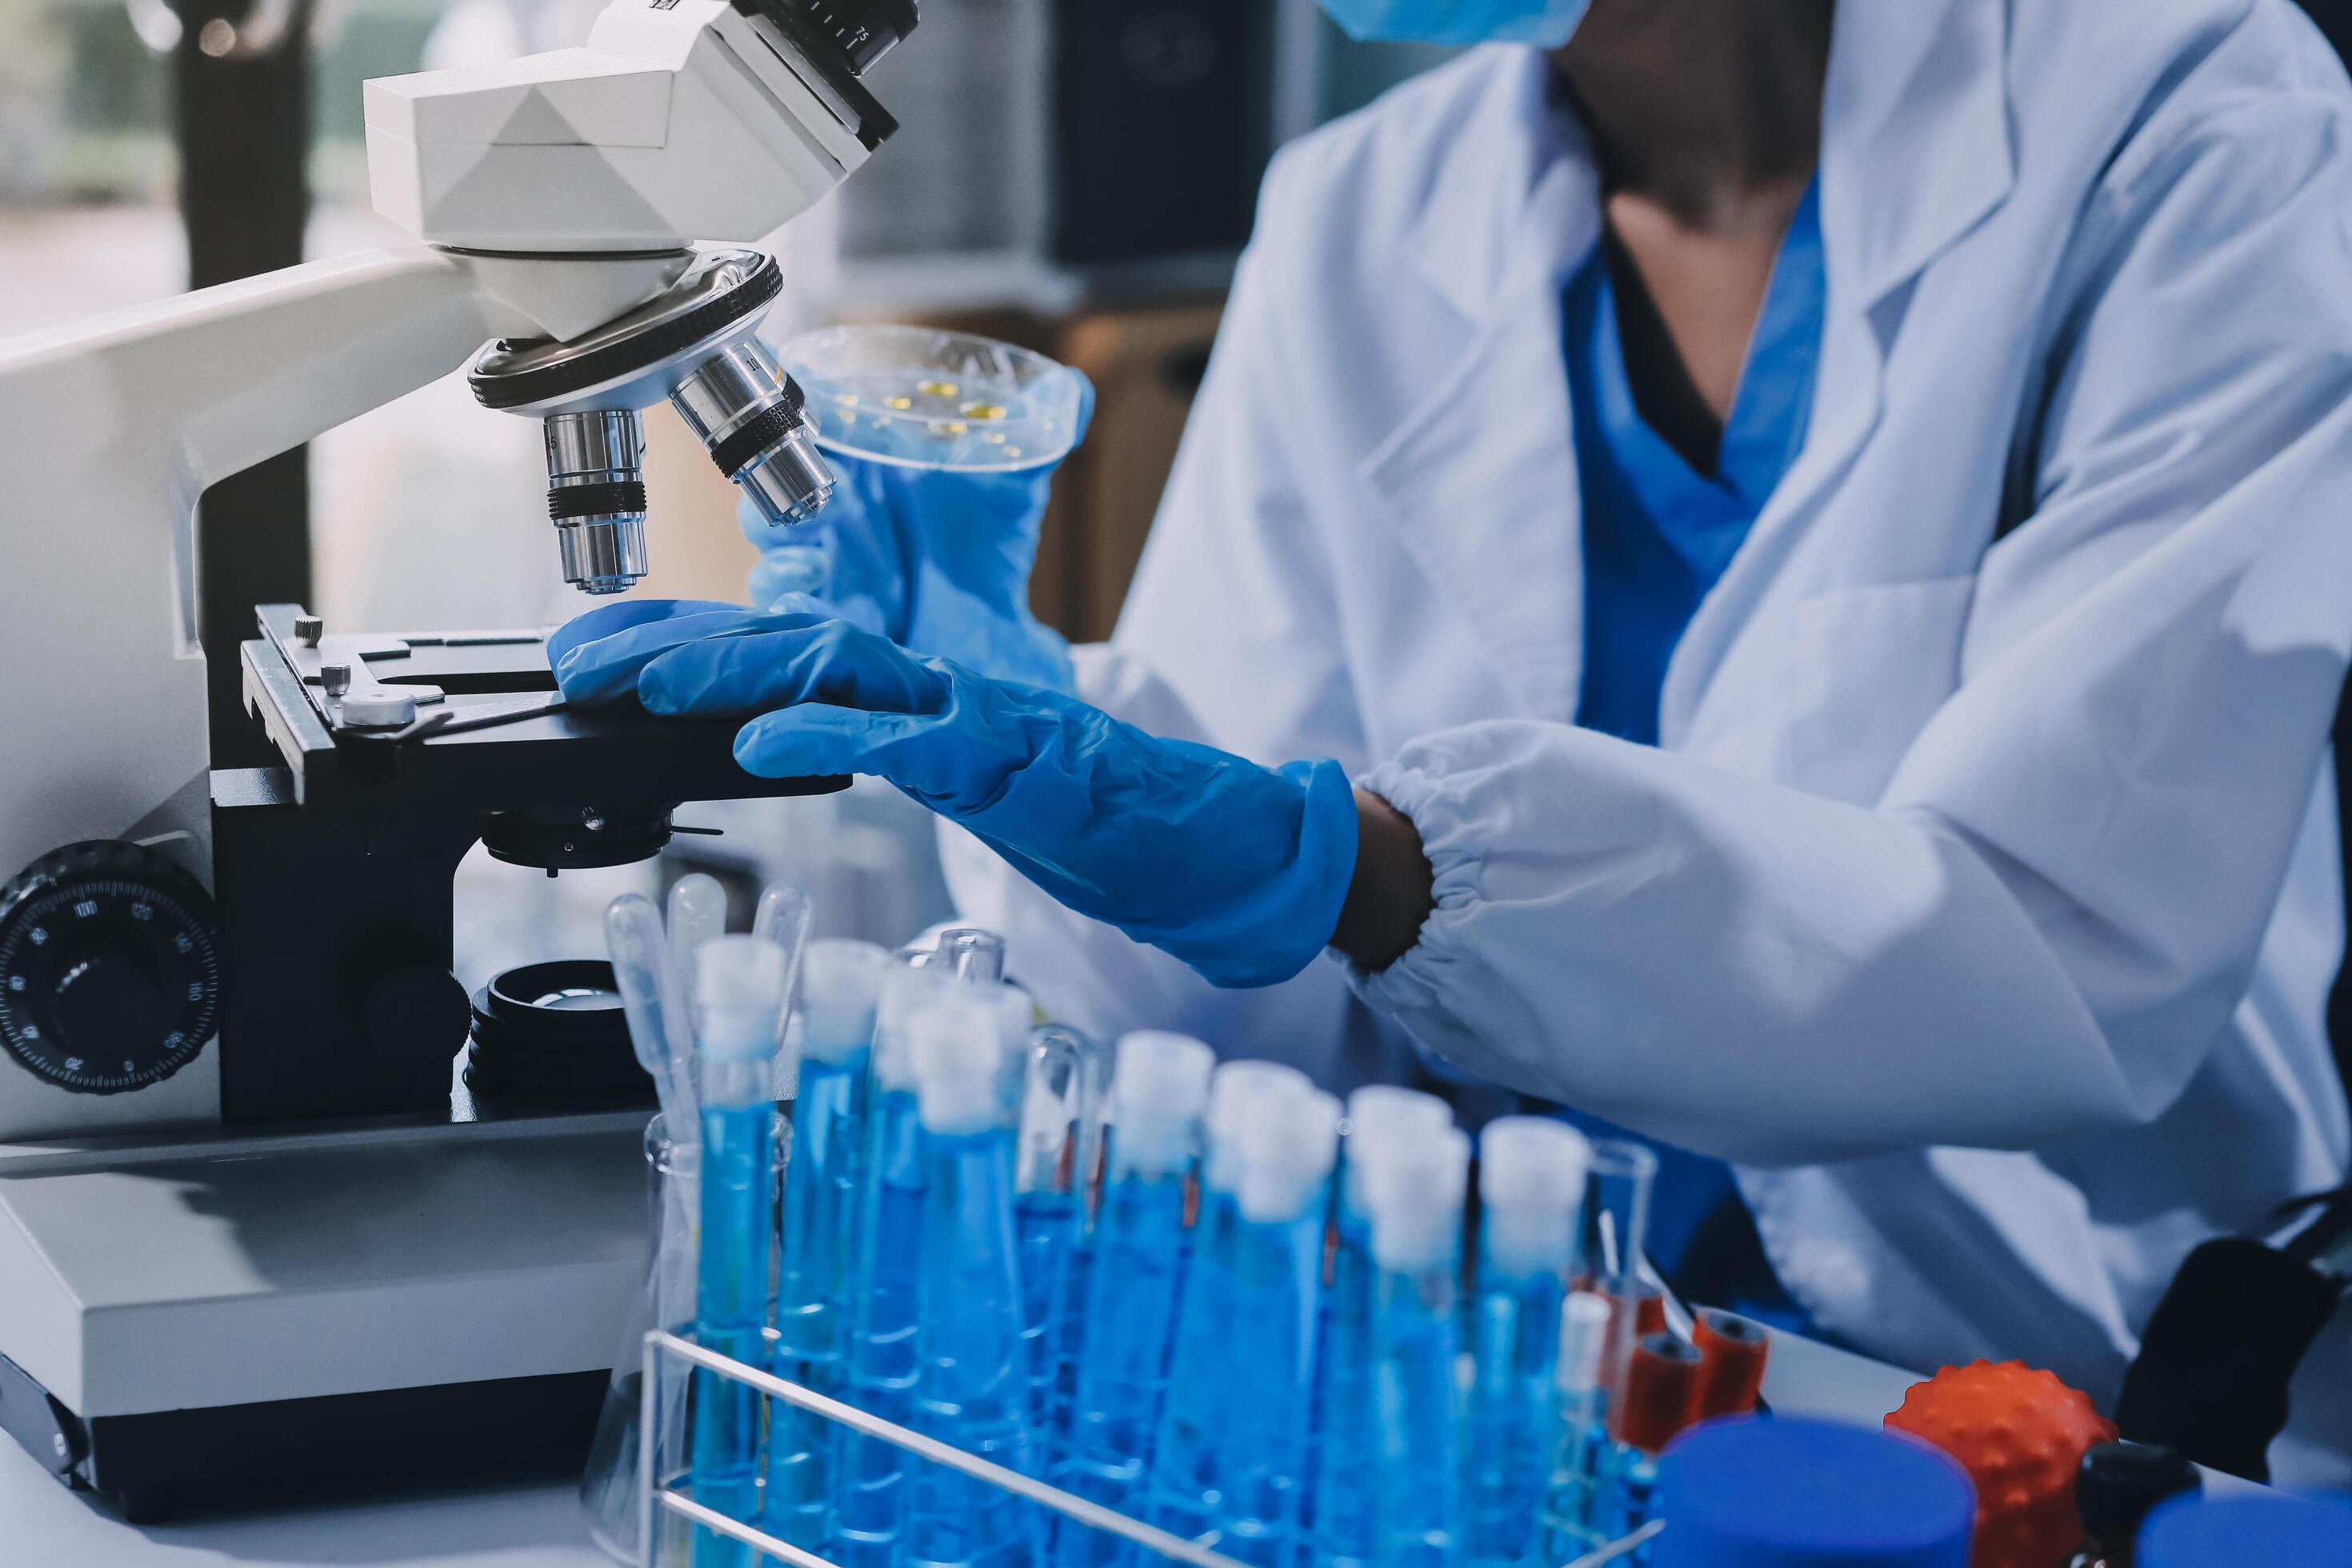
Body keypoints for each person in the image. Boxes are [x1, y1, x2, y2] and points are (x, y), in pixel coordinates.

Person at [550, 0, 2352, 1482]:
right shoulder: (1363, 205)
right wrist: (1036, 736)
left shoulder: (2192, 115)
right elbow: (1201, 1010)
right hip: (1485, 1373)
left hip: (2044, 1388)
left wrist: (1362, 861)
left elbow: (2066, 943)